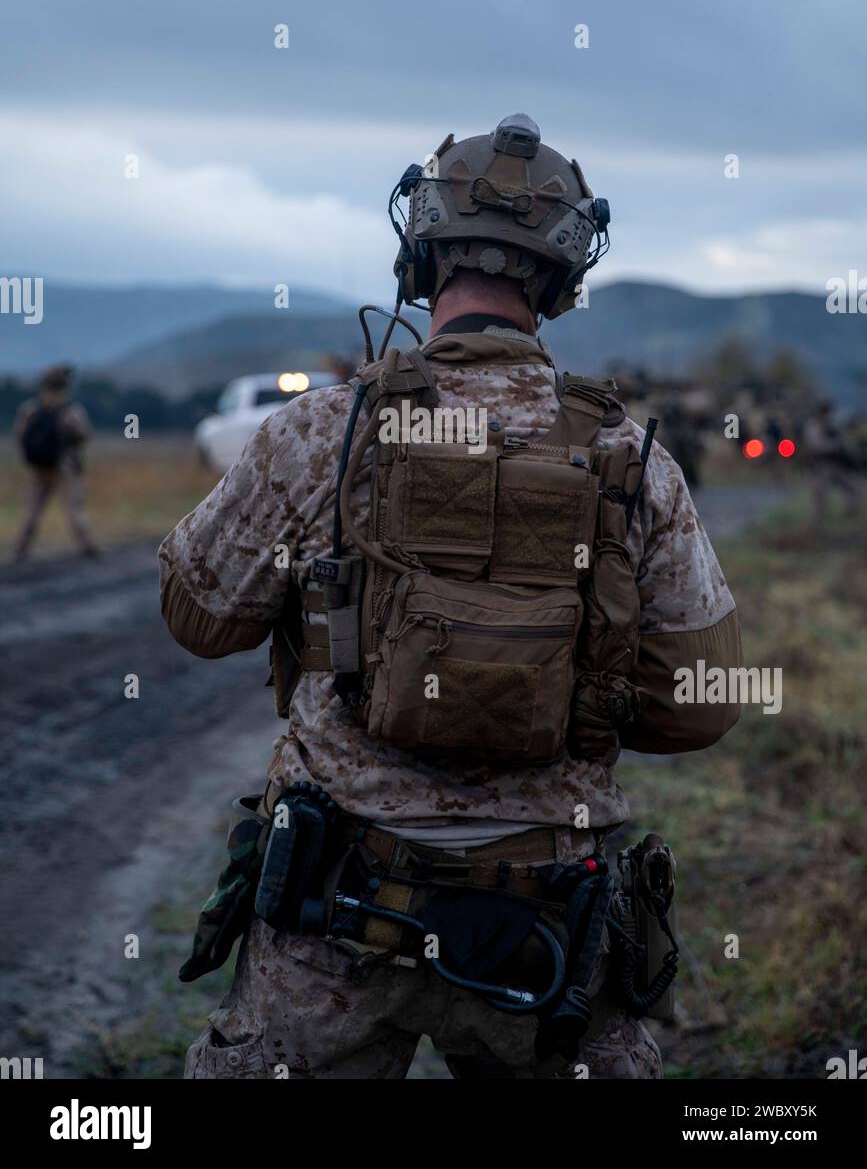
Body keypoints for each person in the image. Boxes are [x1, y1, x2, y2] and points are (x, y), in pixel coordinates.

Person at [160, 115, 742, 1080]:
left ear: (418, 253)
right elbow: (704, 703)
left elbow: (200, 617)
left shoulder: (319, 431)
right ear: (558, 280)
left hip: (333, 908)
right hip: (546, 912)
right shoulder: (632, 459)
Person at [12, 364, 100, 561]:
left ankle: (20, 549)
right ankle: (88, 547)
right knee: (75, 510)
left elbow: (19, 436)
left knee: (32, 510)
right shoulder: (71, 411)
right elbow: (84, 435)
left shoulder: (31, 409)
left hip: (38, 468)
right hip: (64, 467)